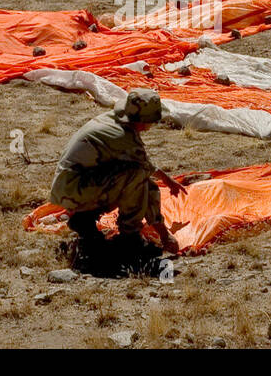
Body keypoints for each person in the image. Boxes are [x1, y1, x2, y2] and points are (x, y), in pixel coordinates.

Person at [49, 88, 187, 257]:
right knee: (135, 176)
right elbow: (144, 174)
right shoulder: (123, 137)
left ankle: (84, 219)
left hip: (70, 185)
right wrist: (165, 235)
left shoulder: (112, 120)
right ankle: (129, 237)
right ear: (143, 121)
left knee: (135, 174)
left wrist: (167, 180)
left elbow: (147, 166)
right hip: (74, 189)